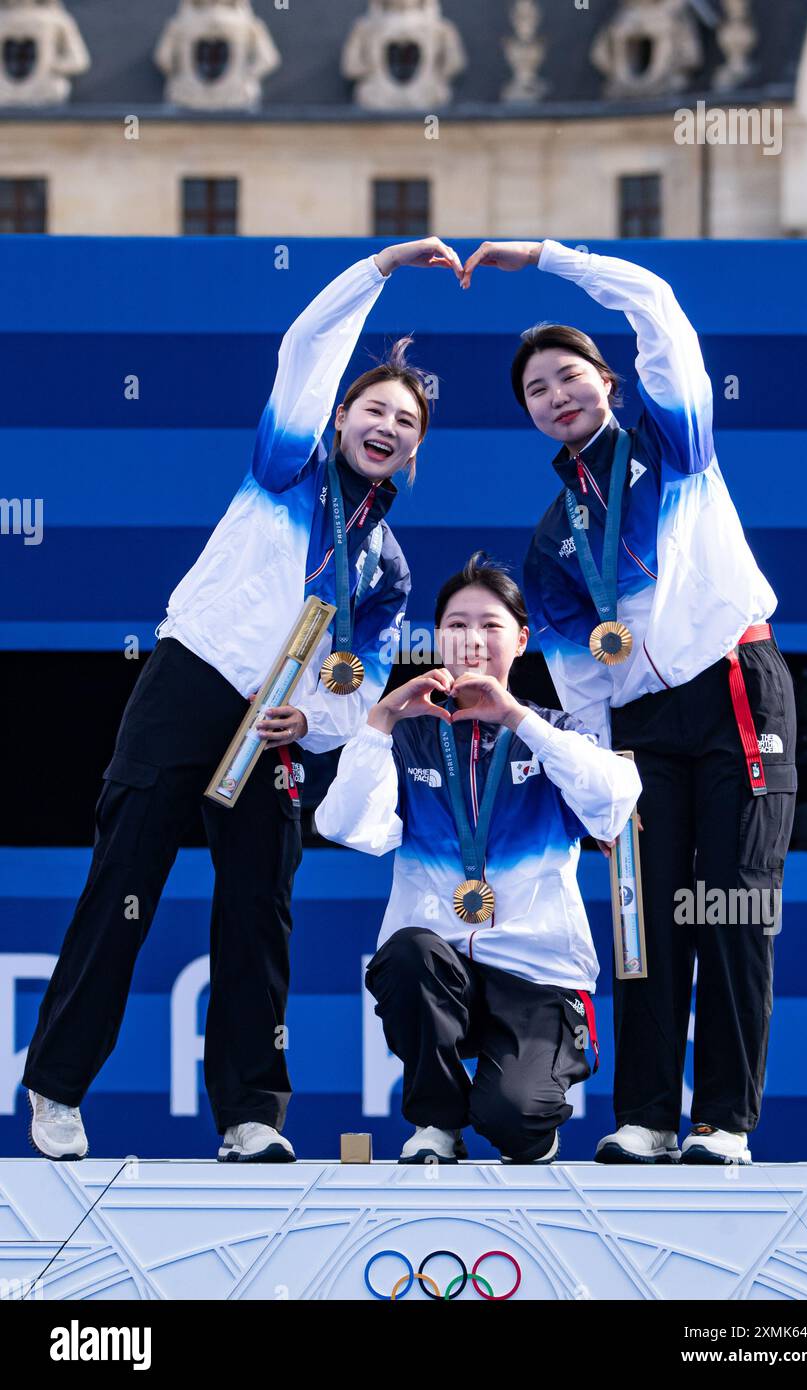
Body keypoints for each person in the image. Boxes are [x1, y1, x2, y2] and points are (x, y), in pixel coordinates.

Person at [23, 236, 464, 1163]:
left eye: (407, 424)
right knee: (124, 885)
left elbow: (364, 678)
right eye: (374, 410)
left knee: (259, 909)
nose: (387, 427)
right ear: (340, 417)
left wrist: (318, 722)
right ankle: (57, 1089)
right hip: (190, 683)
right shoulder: (285, 466)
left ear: (418, 453)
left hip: (274, 731)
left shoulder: (386, 567)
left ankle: (251, 1114)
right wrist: (378, 270)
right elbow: (305, 345)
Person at [459, 239, 797, 1165]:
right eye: (537, 391)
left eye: (569, 376)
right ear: (528, 416)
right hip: (640, 728)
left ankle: (723, 1121)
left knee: (729, 904)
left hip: (732, 686)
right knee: (643, 914)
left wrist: (547, 258)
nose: (557, 396)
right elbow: (579, 685)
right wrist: (603, 784)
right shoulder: (548, 542)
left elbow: (657, 304)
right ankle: (646, 1116)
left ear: (607, 378)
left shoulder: (672, 439)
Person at [315, 554, 641, 1163]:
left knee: (515, 1121)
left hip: (537, 973)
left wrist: (517, 717)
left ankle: (518, 1100)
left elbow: (617, 800)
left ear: (520, 639)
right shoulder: (406, 735)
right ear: (436, 637)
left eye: (490, 626)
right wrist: (380, 720)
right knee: (408, 954)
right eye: (456, 625)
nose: (471, 640)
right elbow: (346, 827)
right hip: (444, 971)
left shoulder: (552, 731)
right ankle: (437, 1123)